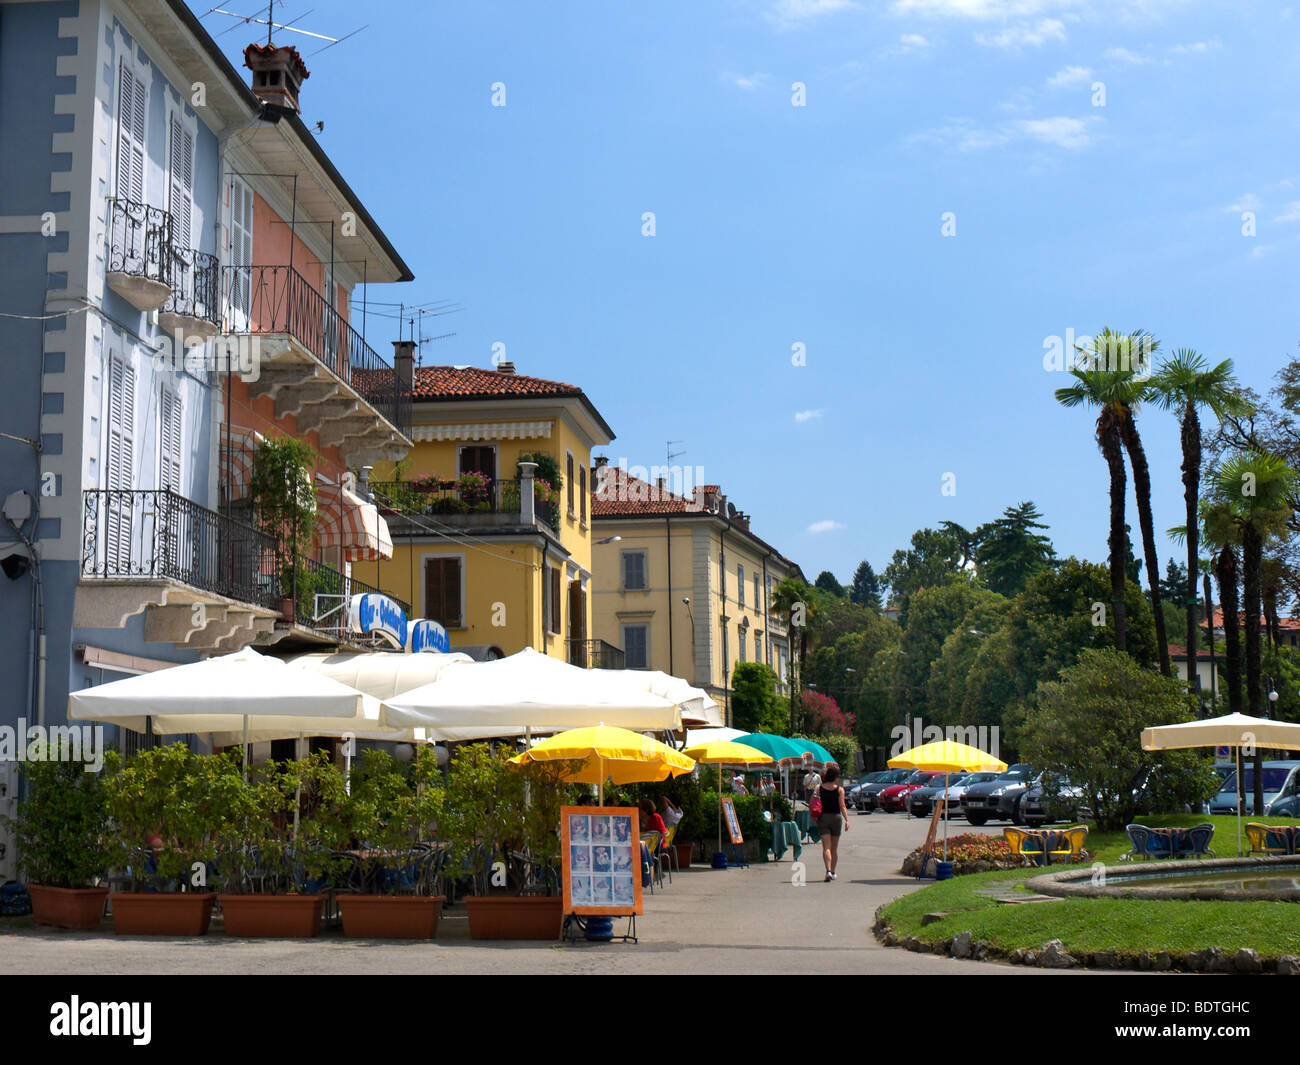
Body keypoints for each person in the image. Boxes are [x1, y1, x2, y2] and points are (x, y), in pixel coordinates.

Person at [816, 765, 849, 881]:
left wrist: (814, 818)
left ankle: (828, 871)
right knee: (834, 848)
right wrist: (847, 820)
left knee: (826, 847)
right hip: (836, 818)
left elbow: (813, 803)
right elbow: (842, 806)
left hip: (823, 817)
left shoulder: (819, 788)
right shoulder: (840, 790)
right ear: (835, 777)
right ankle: (833, 872)